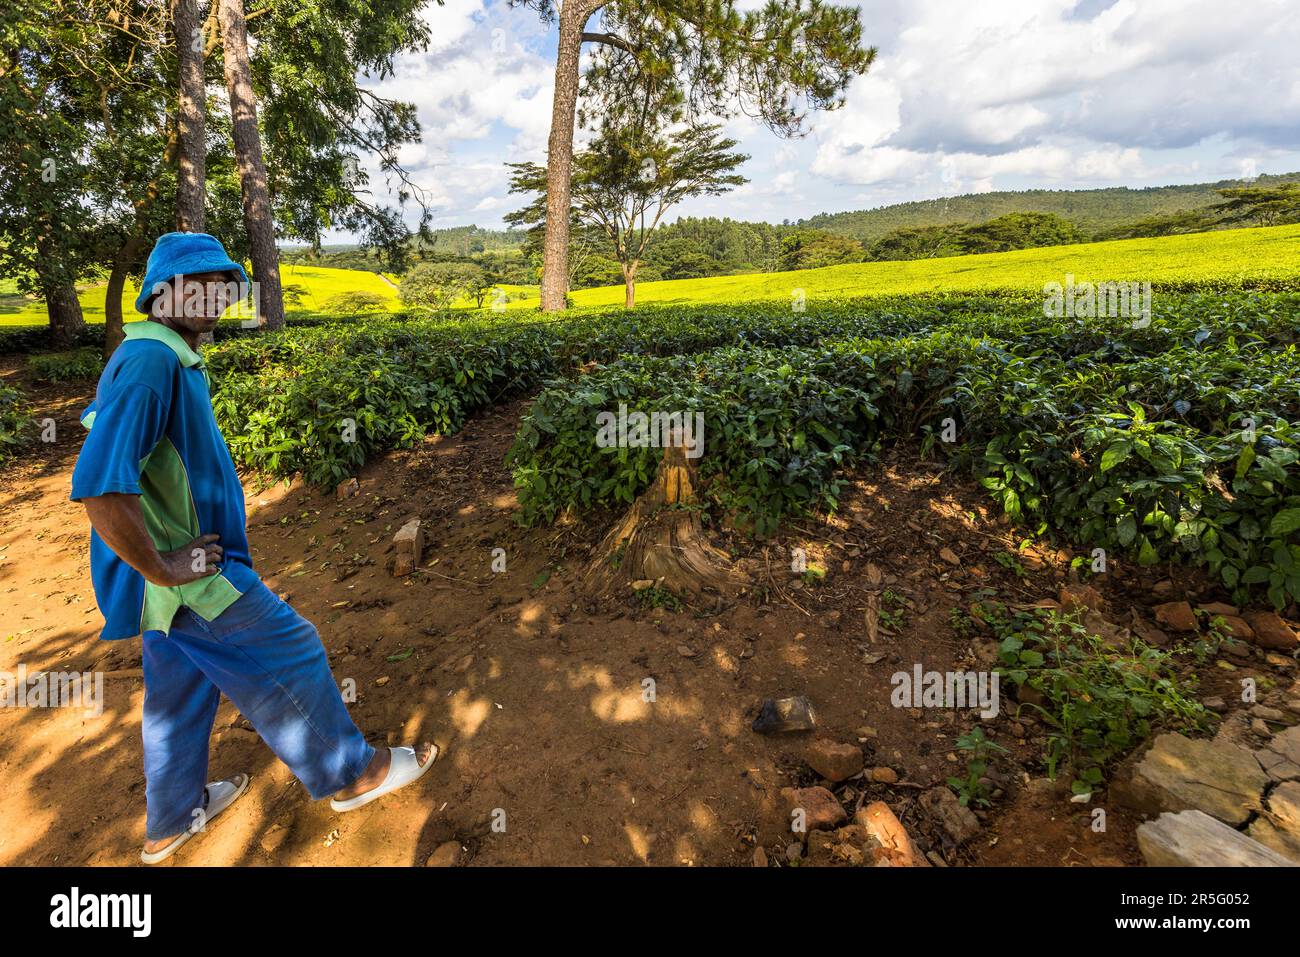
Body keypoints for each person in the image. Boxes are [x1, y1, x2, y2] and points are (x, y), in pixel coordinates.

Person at [70, 231, 437, 864]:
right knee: (290, 647)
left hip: (168, 585)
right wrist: (162, 567)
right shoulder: (152, 364)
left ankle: (170, 820)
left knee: (177, 697)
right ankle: (353, 775)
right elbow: (101, 487)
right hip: (192, 574)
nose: (212, 295)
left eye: (221, 283)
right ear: (160, 293)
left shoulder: (158, 356)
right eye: (195, 282)